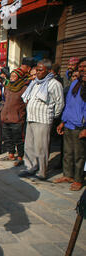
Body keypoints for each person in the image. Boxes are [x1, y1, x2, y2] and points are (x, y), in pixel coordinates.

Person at [19, 59, 65, 180]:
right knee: (29, 146)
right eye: (37, 70)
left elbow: (59, 103)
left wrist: (52, 116)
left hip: (43, 120)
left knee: (41, 148)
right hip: (31, 118)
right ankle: (31, 167)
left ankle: (41, 171)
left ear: (49, 71)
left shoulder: (54, 84)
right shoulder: (35, 83)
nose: (38, 72)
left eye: (41, 70)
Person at [54, 57, 86, 191]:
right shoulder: (74, 84)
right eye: (81, 67)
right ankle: (68, 175)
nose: (83, 69)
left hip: (81, 126)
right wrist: (63, 121)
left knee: (80, 155)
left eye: (85, 67)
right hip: (69, 124)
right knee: (67, 152)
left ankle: (78, 180)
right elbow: (68, 105)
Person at [0, 67, 29, 166]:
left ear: (19, 78)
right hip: (6, 117)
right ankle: (11, 154)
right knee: (7, 138)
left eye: (14, 76)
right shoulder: (7, 88)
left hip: (17, 119)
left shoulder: (24, 88)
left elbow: (26, 104)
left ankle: (20, 156)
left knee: (18, 139)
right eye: (11, 76)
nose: (11, 78)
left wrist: (21, 115)